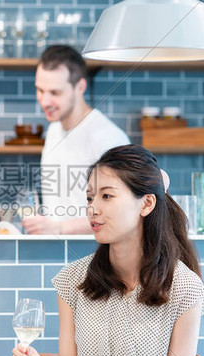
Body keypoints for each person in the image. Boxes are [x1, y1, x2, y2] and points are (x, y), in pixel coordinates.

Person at [11, 144, 204, 356]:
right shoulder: (72, 282)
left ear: (146, 203)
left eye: (106, 196)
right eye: (90, 198)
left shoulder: (185, 288)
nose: (93, 209)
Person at [22, 45, 130, 235]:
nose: (45, 101)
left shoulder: (108, 138)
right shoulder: (55, 129)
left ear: (80, 87)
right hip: (57, 252)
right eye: (40, 90)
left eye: (55, 93)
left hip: (92, 255)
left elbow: (124, 211)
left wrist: (59, 228)